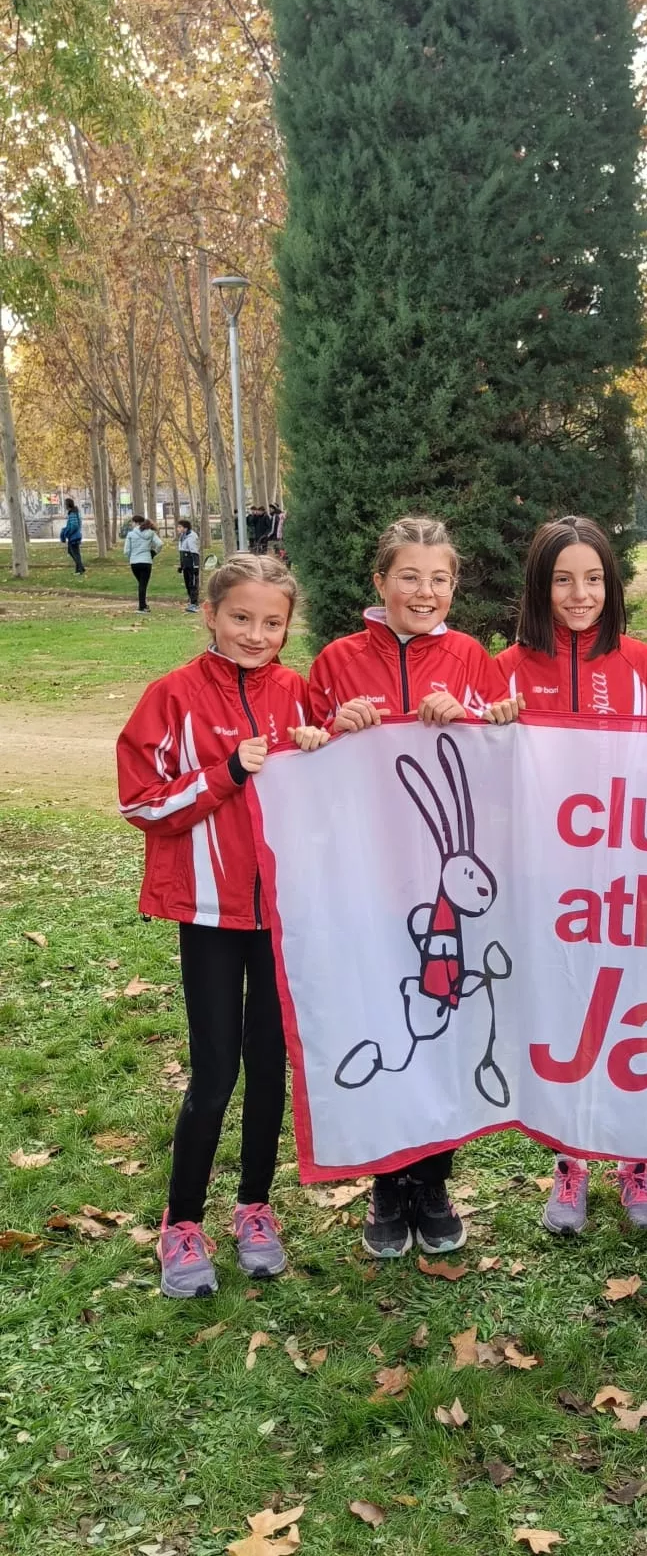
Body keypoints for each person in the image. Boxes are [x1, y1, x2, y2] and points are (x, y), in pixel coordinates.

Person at [116, 553, 330, 1298]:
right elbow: (140, 801)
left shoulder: (298, 693)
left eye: (272, 623)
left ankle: (254, 1209)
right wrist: (227, 772)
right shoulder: (171, 697)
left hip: (279, 914)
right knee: (215, 1073)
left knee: (270, 1066)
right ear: (210, 614)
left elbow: (335, 784)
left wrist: (330, 742)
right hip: (207, 912)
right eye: (241, 618)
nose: (256, 634)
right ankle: (182, 1224)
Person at [308, 515, 504, 1263]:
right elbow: (306, 760)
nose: (425, 591)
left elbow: (500, 758)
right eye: (410, 576)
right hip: (364, 879)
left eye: (440, 578)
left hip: (443, 893)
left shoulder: (470, 656)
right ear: (380, 582)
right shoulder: (336, 659)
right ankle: (389, 1183)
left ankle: (435, 1181)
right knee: (382, 1017)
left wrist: (472, 718)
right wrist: (336, 724)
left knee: (443, 1026)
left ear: (454, 585)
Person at [491, 514, 647, 1238]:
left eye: (593, 578)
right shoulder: (505, 669)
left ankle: (634, 1159)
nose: (579, 593)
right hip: (547, 886)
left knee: (631, 1018)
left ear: (612, 584)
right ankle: (569, 1162)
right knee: (565, 1017)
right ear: (540, 585)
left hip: (630, 884)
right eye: (563, 579)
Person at [123, 514, 162, 612]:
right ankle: (142, 606)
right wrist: (154, 552)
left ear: (136, 523)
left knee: (141, 584)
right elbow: (160, 544)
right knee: (143, 584)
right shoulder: (151, 533)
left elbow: (126, 551)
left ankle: (142, 605)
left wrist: (131, 557)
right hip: (146, 561)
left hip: (134, 563)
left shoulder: (131, 534)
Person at [177, 518, 201, 611]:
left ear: (185, 528)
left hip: (191, 563)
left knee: (193, 583)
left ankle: (194, 604)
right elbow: (182, 552)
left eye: (180, 527)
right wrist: (181, 565)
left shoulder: (192, 536)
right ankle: (191, 601)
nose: (178, 529)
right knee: (187, 584)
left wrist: (196, 566)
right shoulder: (182, 536)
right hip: (186, 564)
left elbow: (194, 552)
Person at [60, 498, 85, 576]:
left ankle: (80, 569)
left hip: (73, 537)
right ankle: (80, 569)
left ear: (68, 505)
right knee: (73, 552)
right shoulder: (74, 512)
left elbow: (74, 525)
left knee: (74, 553)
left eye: (65, 504)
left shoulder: (72, 513)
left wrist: (67, 532)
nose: (64, 506)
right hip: (75, 536)